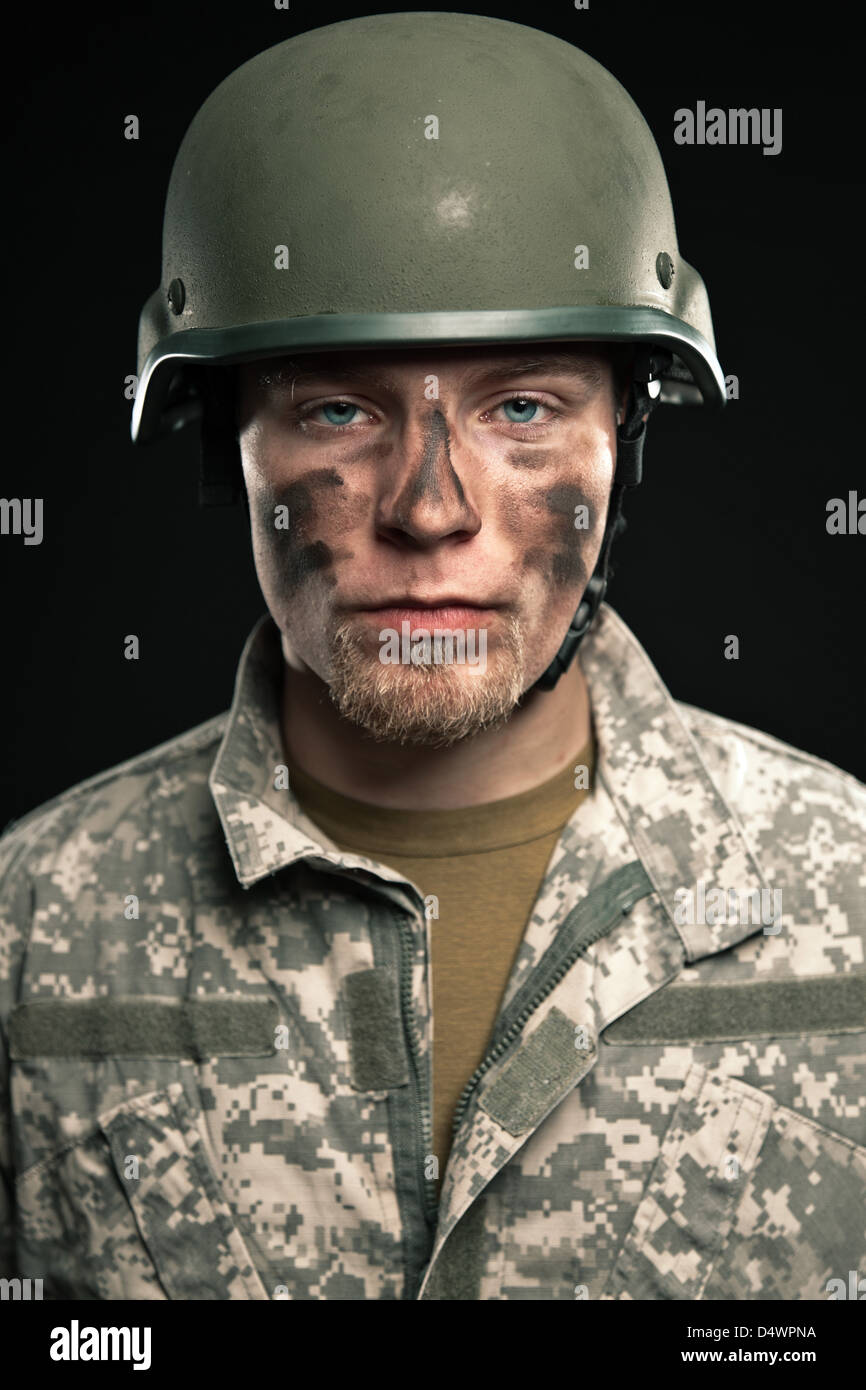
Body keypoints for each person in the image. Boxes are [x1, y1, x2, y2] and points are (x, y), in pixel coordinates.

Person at [1, 12, 863, 1302]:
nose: (430, 507)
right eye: (339, 408)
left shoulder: (849, 897)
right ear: (222, 445)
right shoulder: (28, 928)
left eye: (522, 407)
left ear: (626, 445)